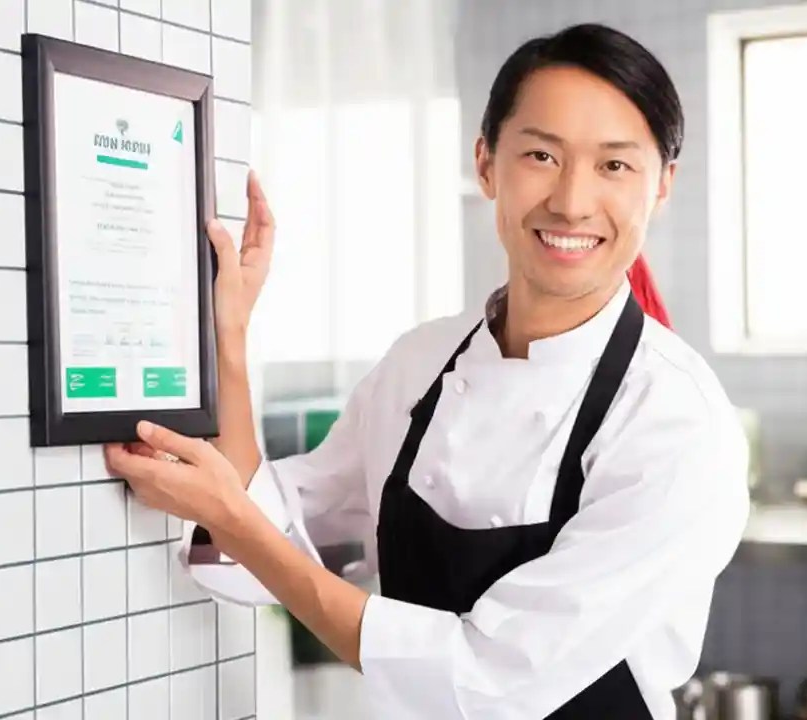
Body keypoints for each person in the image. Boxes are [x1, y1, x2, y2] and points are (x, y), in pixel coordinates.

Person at [106, 22, 749, 720]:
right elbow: (267, 522)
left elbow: (485, 680)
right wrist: (227, 336)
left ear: (662, 187)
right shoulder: (421, 362)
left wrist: (237, 520)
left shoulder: (676, 421)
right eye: (540, 154)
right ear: (485, 163)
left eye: (614, 166)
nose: (570, 201)